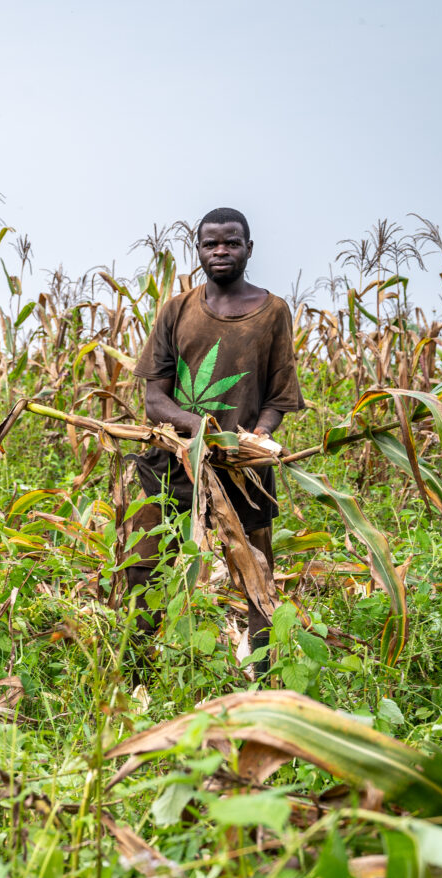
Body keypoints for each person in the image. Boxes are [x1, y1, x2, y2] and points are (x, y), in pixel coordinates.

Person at [126, 207, 304, 660]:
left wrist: (256, 439)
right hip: (171, 467)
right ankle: (136, 667)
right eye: (211, 244)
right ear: (199, 250)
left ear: (249, 248)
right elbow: (155, 400)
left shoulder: (272, 314)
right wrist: (200, 430)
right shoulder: (178, 309)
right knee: (144, 567)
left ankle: (264, 671)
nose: (221, 251)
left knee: (257, 577)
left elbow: (279, 398)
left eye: (231, 242)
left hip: (244, 472)